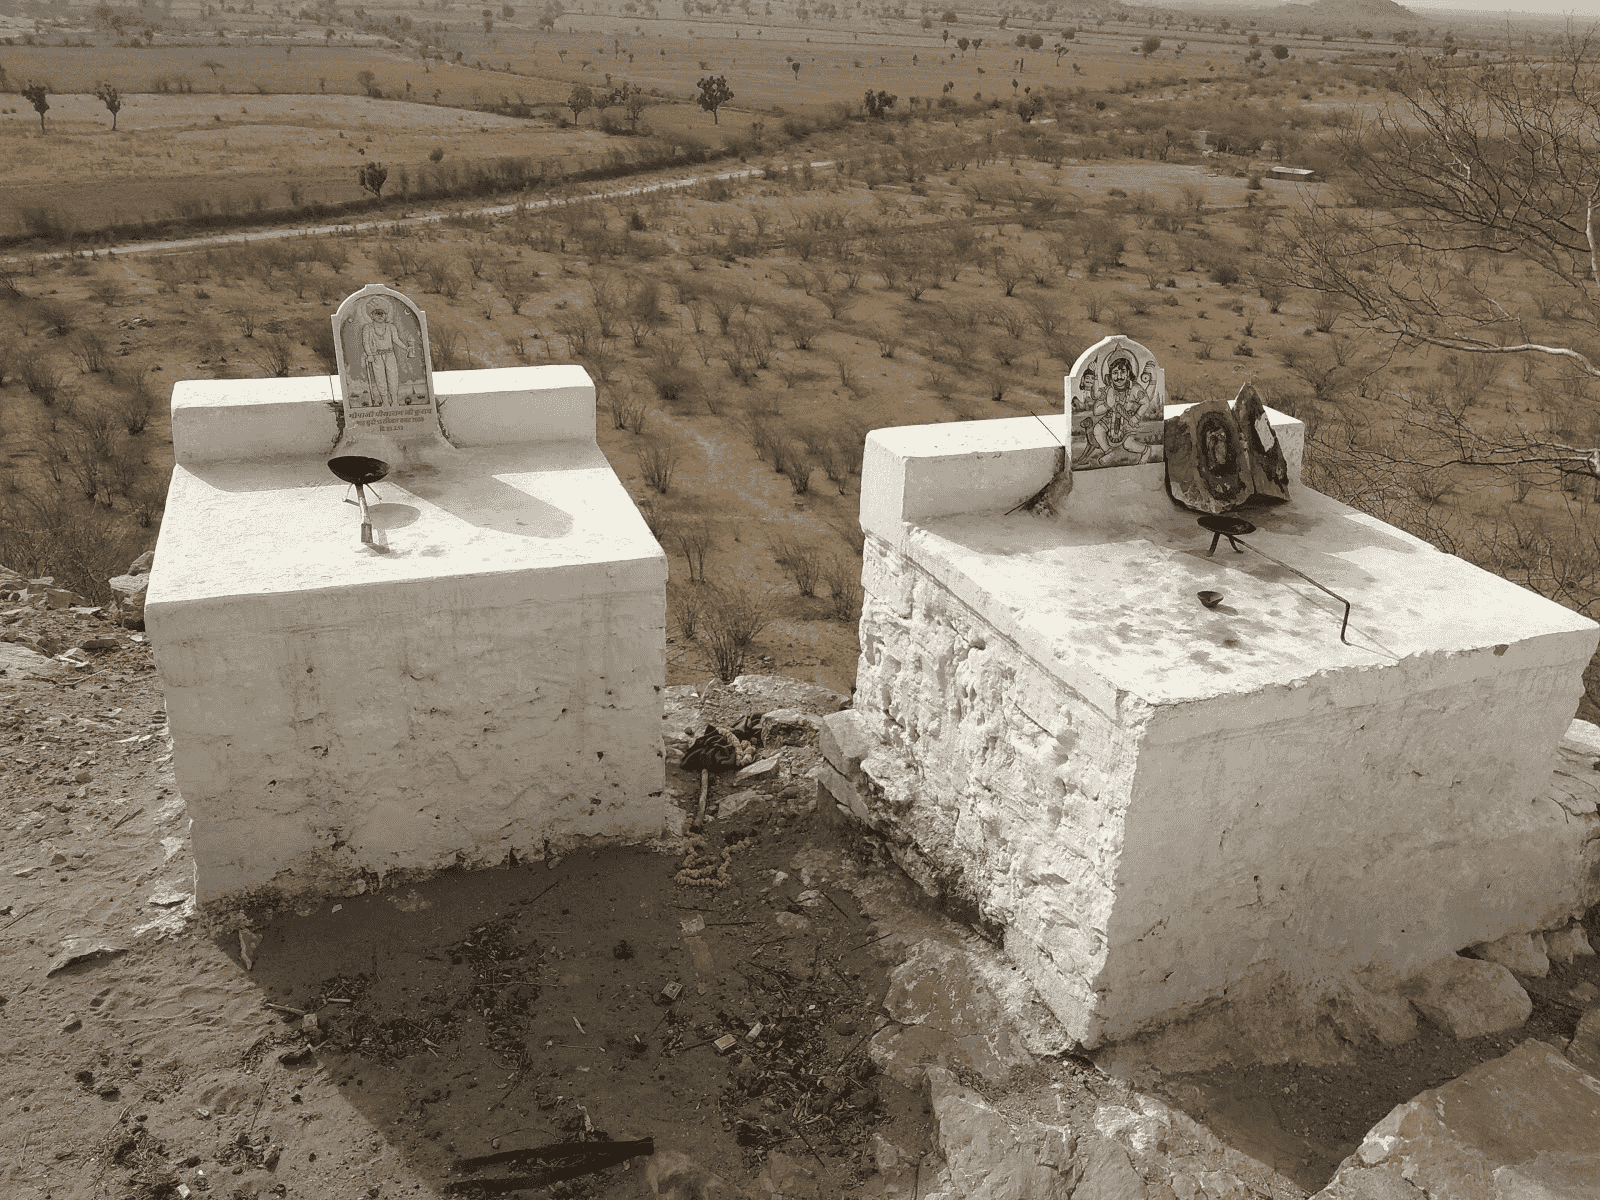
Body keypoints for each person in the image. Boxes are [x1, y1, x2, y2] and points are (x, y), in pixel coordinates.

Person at [359, 298, 416, 407]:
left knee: (393, 377)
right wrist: (369, 355)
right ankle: (385, 401)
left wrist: (406, 348)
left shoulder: (391, 327)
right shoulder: (368, 328)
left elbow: (396, 340)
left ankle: (394, 401)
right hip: (376, 356)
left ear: (386, 315)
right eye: (377, 313)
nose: (380, 316)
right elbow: (365, 343)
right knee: (380, 378)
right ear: (372, 315)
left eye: (382, 313)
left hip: (390, 355)